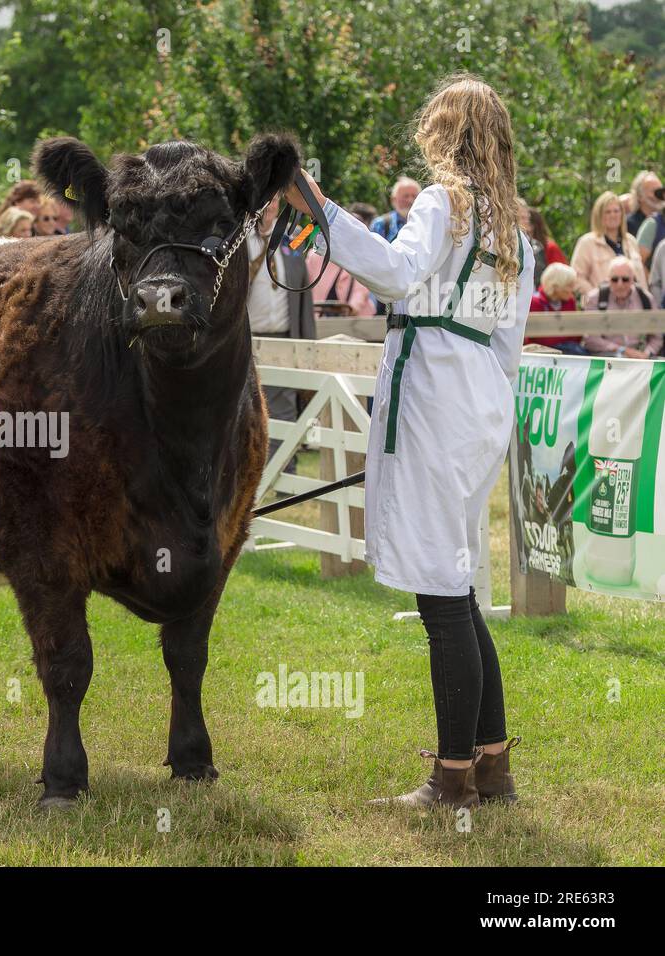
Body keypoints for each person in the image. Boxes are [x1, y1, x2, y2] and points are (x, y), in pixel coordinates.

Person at [287, 73, 530, 809]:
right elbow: (509, 338)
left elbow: (394, 272)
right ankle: (492, 766)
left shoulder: (443, 203)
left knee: (442, 594)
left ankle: (451, 779)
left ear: (443, 133)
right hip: (479, 397)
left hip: (432, 398)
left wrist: (320, 210)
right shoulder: (509, 229)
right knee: (456, 584)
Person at [245, 195, 315, 473]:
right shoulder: (238, 241)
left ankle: (286, 472)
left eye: (273, 200)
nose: (268, 206)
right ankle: (251, 475)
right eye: (262, 199)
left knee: (284, 408)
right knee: (247, 409)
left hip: (285, 336)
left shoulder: (292, 240)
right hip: (248, 337)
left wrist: (312, 204)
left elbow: (320, 233)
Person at [579, 256, 660, 359]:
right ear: (608, 279)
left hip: (641, 359)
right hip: (606, 359)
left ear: (633, 279)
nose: (620, 284)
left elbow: (657, 337)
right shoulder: (595, 298)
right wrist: (623, 351)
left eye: (625, 279)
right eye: (614, 279)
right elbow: (590, 339)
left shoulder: (646, 299)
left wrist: (647, 353)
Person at [570, 190, 648, 297]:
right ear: (599, 215)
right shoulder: (587, 243)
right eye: (608, 212)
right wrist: (597, 297)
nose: (613, 215)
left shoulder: (631, 241)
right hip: (601, 310)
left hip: (633, 308)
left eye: (616, 211)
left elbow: (641, 278)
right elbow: (577, 278)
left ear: (622, 214)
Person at [526, 262, 583, 354]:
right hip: (541, 352)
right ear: (556, 286)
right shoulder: (534, 303)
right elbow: (537, 339)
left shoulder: (570, 301)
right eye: (569, 285)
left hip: (569, 350)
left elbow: (576, 334)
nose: (573, 289)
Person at [370, 176, 420, 241]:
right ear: (393, 199)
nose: (410, 200)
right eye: (406, 196)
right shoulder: (380, 224)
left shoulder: (426, 223)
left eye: (414, 196)